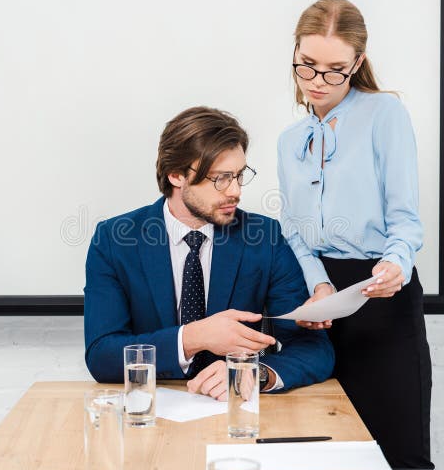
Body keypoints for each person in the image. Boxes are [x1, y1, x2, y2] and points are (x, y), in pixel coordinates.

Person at [277, 0, 433, 469]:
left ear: (358, 63)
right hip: (322, 308)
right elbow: (293, 229)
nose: (318, 83)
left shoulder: (386, 115)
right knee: (324, 460)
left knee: (395, 460)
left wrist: (395, 263)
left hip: (382, 300)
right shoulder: (290, 140)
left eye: (335, 70)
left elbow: (405, 217)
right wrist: (317, 282)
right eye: (307, 66)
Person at [84, 106, 334, 400]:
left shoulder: (265, 237)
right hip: (151, 410)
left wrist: (256, 373)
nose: (235, 191)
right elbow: (102, 355)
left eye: (240, 175)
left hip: (235, 411)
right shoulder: (114, 241)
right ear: (176, 175)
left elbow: (314, 348)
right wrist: (193, 338)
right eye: (221, 179)